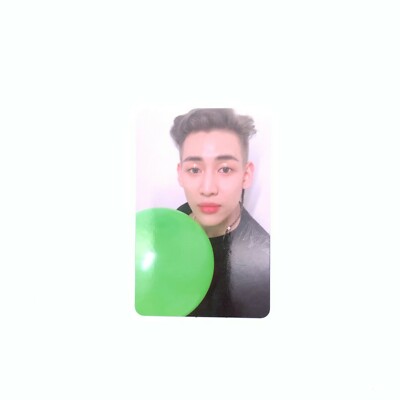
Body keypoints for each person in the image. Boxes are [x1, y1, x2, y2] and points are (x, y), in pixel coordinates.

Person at [170, 108, 270, 318]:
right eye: (194, 169)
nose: (207, 189)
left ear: (246, 175)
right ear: (181, 174)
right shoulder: (180, 216)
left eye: (224, 169)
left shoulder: (262, 271)